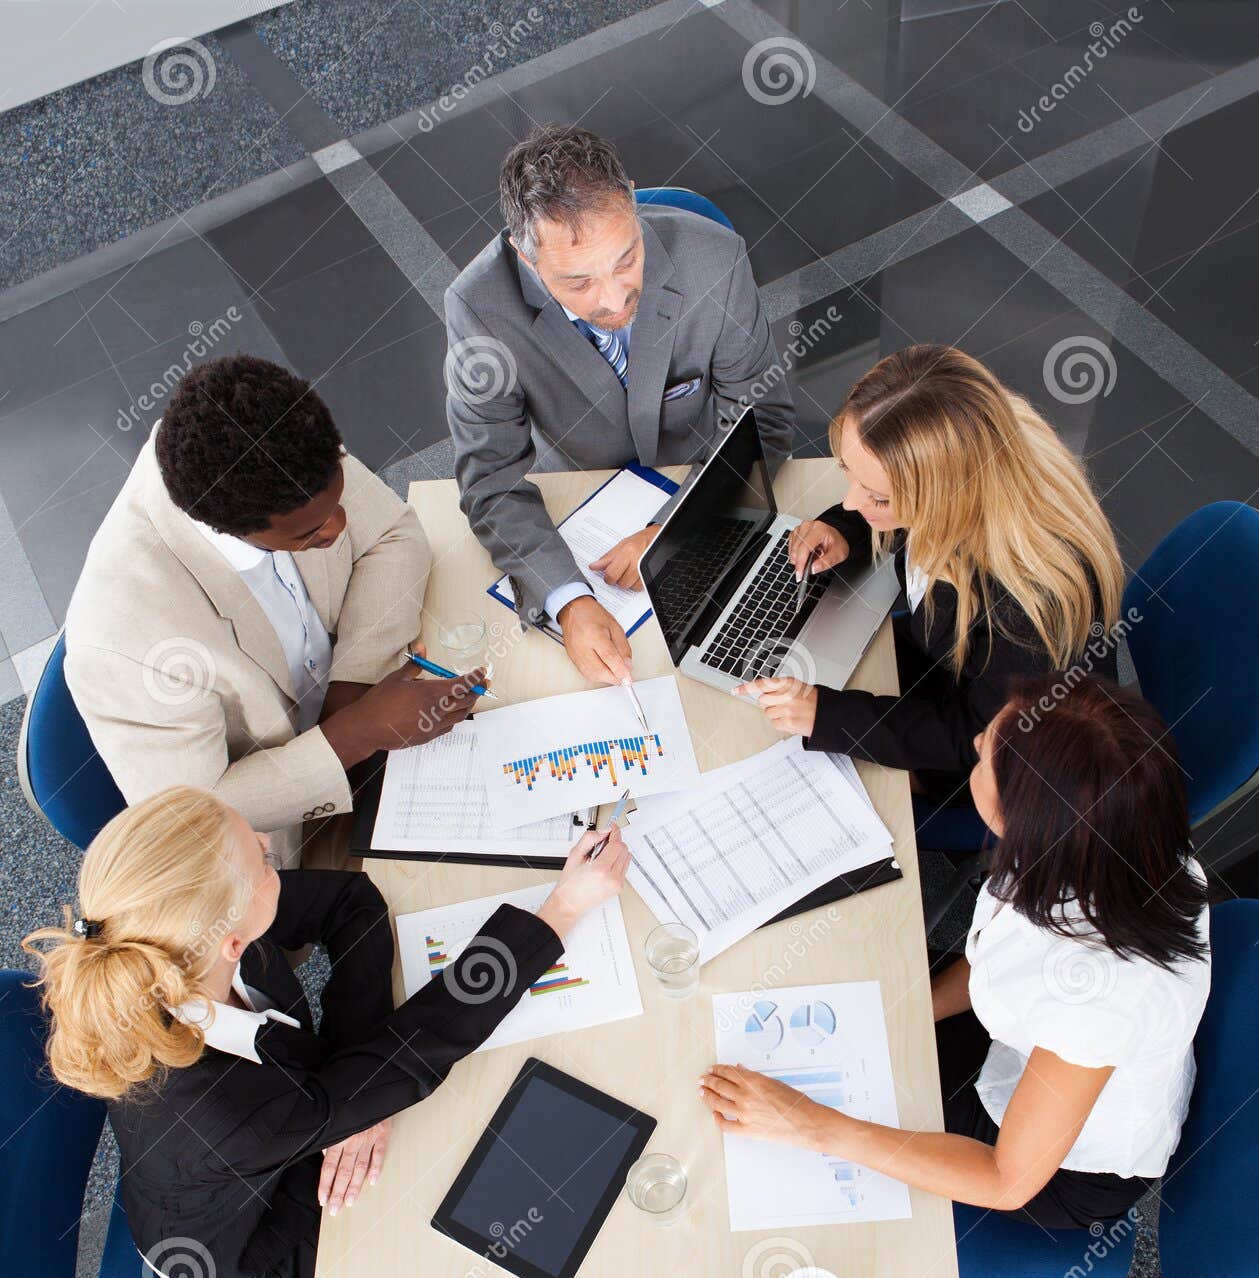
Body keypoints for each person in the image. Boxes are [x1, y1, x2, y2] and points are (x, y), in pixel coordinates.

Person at [24, 787, 630, 1278]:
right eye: (262, 859)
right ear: (232, 940)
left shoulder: (185, 938)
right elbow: (416, 1055)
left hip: (253, 1139)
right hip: (251, 1246)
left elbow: (353, 905)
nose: (267, 841)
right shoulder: (224, 1109)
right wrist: (561, 910)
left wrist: (351, 1094)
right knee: (470, 1245)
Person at [702, 679, 1211, 1228]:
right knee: (850, 1027)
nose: (973, 746)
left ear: (1024, 818)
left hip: (1062, 1169)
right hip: (1024, 1049)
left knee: (805, 1156)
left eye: (984, 759)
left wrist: (809, 1124)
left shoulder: (1098, 995)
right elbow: (1004, 954)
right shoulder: (1103, 836)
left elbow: (1006, 1179)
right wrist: (907, 1008)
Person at [65, 354, 477, 867]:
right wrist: (357, 733)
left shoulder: (274, 439)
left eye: (339, 500)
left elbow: (393, 532)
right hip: (286, 830)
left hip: (367, 708)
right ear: (227, 526)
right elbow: (195, 817)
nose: (339, 528)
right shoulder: (125, 644)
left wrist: (351, 691)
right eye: (309, 533)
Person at [445, 124, 794, 687]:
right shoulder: (478, 306)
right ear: (526, 258)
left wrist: (676, 527)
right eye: (577, 282)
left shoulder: (715, 259)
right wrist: (568, 600)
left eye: (627, 259)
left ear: (631, 201)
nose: (612, 300)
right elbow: (488, 479)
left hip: (700, 475)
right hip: (580, 487)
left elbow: (764, 419)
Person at [736, 345, 1126, 806]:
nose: (850, 502)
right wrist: (843, 531)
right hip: (946, 667)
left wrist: (828, 717)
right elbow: (887, 490)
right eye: (849, 472)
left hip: (998, 756)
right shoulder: (979, 442)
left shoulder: (1026, 612)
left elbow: (974, 739)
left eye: (877, 498)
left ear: (949, 497)